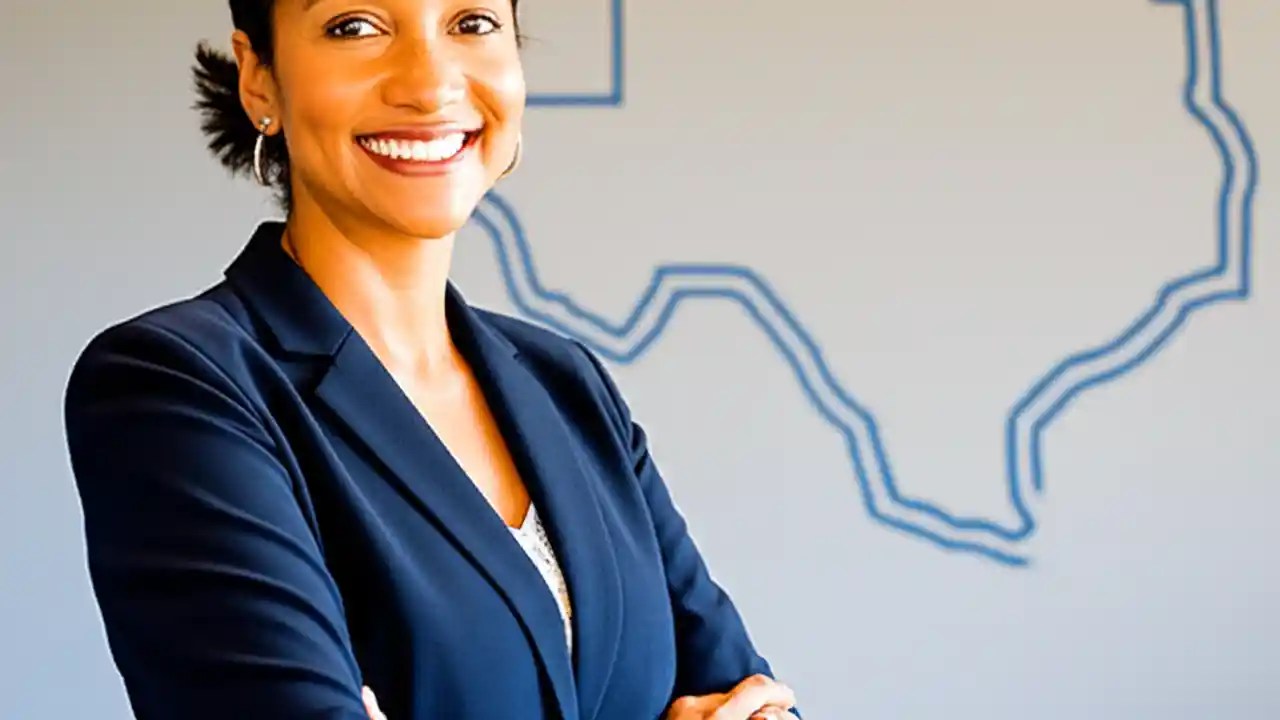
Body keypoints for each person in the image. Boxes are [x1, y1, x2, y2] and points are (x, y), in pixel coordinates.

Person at [62, 1, 802, 718]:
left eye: (471, 23)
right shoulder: (176, 386)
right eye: (355, 26)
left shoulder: (565, 382)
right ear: (260, 77)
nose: (429, 83)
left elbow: (757, 699)